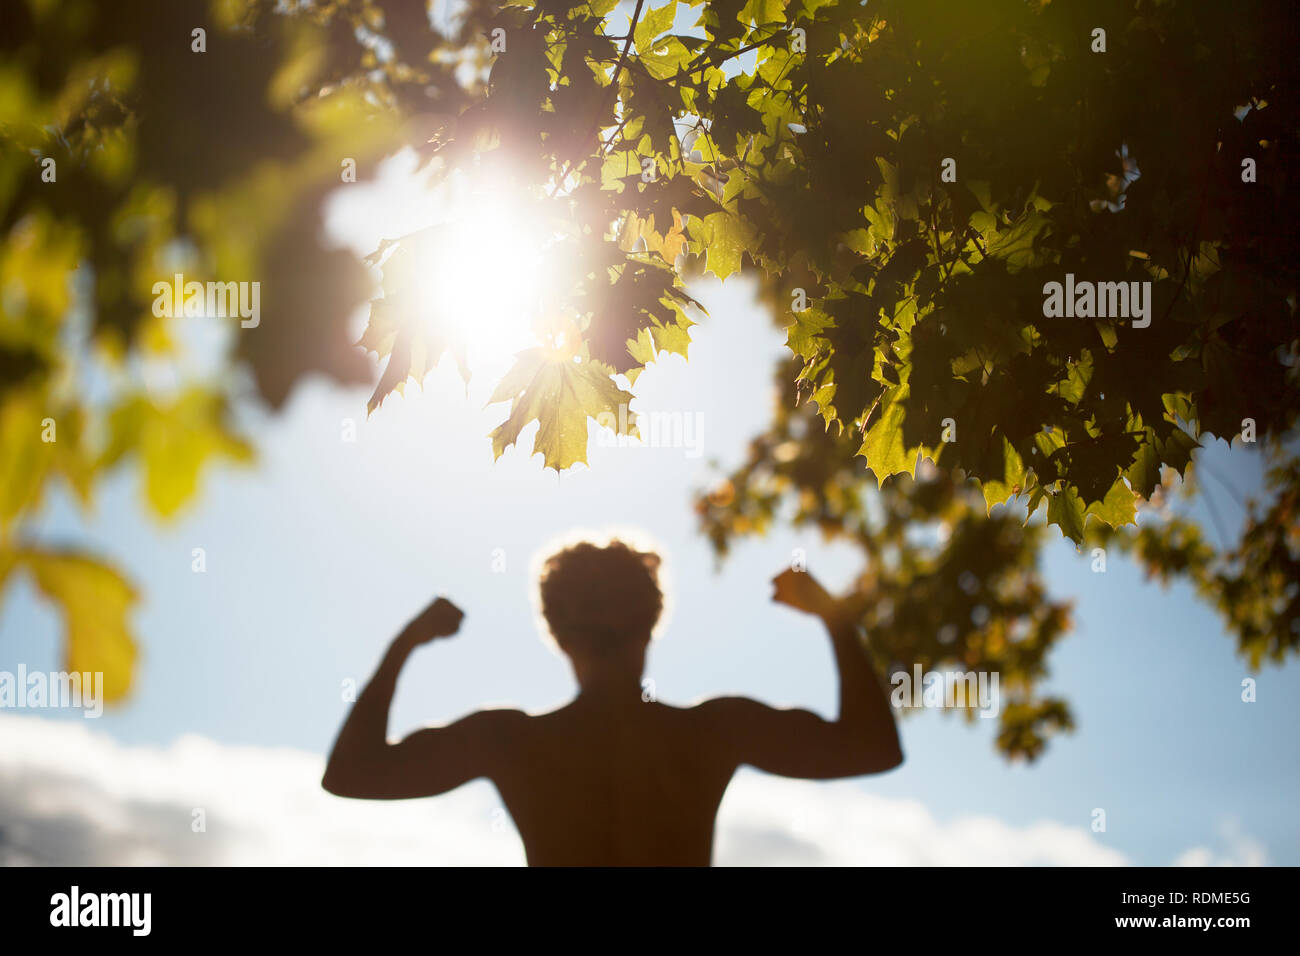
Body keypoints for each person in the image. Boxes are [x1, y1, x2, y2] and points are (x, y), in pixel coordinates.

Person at [322, 539, 902, 865]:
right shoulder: (714, 731)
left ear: (558, 634)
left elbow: (352, 773)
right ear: (651, 624)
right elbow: (872, 748)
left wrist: (407, 642)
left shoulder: (511, 743)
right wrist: (833, 617)